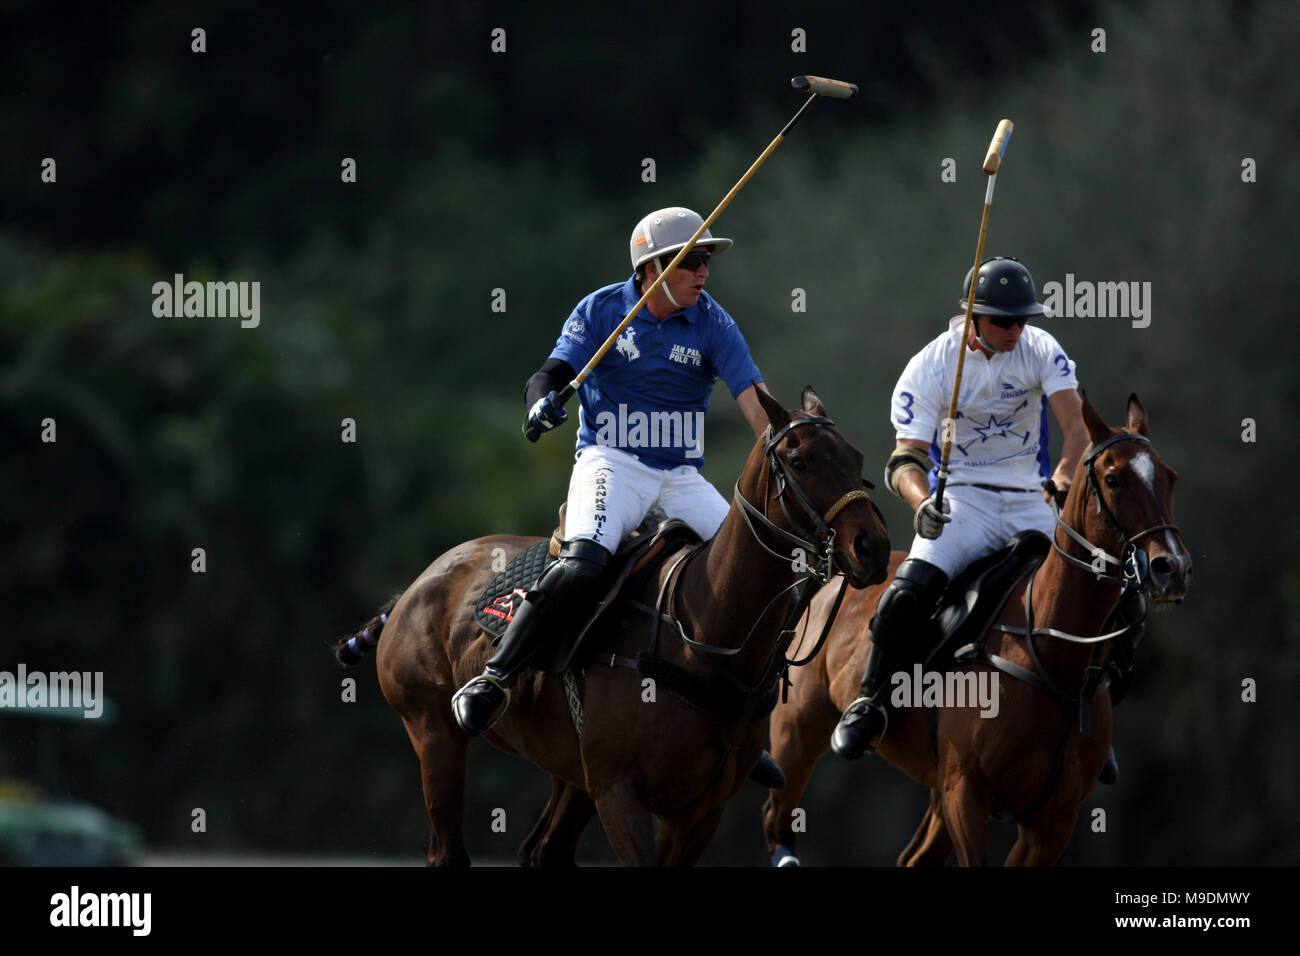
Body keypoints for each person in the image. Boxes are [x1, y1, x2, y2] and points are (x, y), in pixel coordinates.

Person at [452, 206, 777, 756]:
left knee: (754, 568)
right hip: (612, 463)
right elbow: (549, 375)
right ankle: (497, 674)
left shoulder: (714, 323)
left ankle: (751, 727)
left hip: (680, 475)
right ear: (653, 268)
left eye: (706, 263)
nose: (704, 273)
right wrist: (539, 407)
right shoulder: (603, 310)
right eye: (692, 261)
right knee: (583, 563)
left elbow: (756, 403)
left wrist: (786, 444)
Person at [830, 256, 1094, 762]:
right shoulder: (931, 366)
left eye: (1022, 319)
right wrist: (922, 501)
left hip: (1030, 497)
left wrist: (1062, 473)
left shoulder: (1041, 350)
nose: (1015, 330)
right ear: (971, 315)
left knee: (1102, 583)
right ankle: (871, 700)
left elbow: (1078, 430)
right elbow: (905, 459)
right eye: (1002, 320)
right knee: (904, 594)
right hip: (963, 501)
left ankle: (1093, 707)